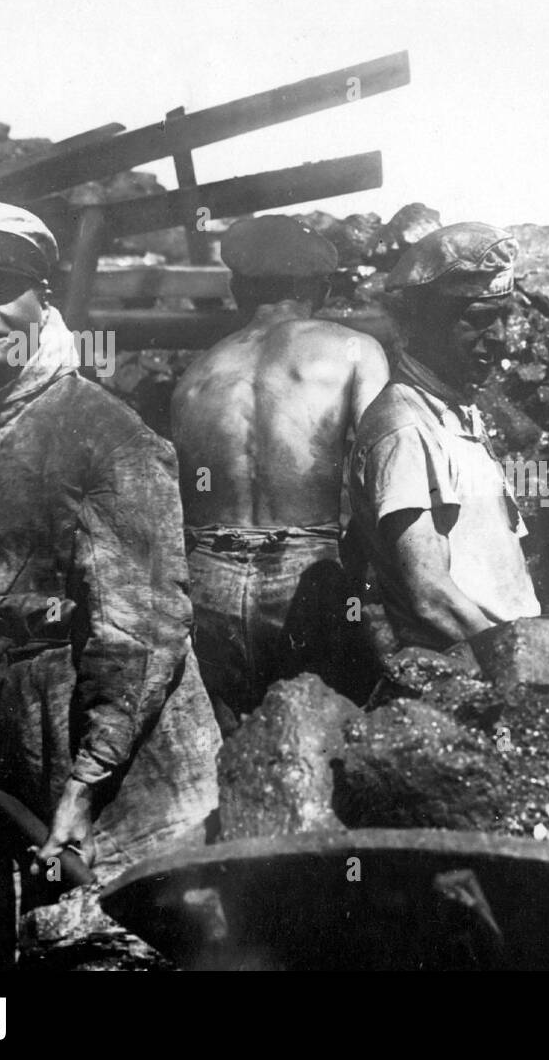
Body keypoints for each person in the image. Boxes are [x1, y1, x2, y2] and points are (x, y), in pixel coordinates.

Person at [0, 200, 221, 970]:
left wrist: (86, 781)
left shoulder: (106, 434)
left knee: (134, 948)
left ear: (43, 298)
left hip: (122, 756)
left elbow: (140, 628)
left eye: (4, 285)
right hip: (1, 750)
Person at [171, 215, 389, 726]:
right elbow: (382, 470)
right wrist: (358, 579)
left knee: (229, 743)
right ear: (324, 286)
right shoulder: (354, 350)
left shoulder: (196, 374)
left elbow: (183, 493)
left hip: (208, 576)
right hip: (306, 568)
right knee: (321, 737)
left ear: (236, 288)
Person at [347, 222, 540, 653]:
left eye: (502, 319)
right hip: (466, 666)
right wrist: (514, 666)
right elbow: (431, 594)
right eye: (477, 321)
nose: (499, 339)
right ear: (424, 324)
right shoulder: (406, 427)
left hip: (502, 650)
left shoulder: (451, 410)